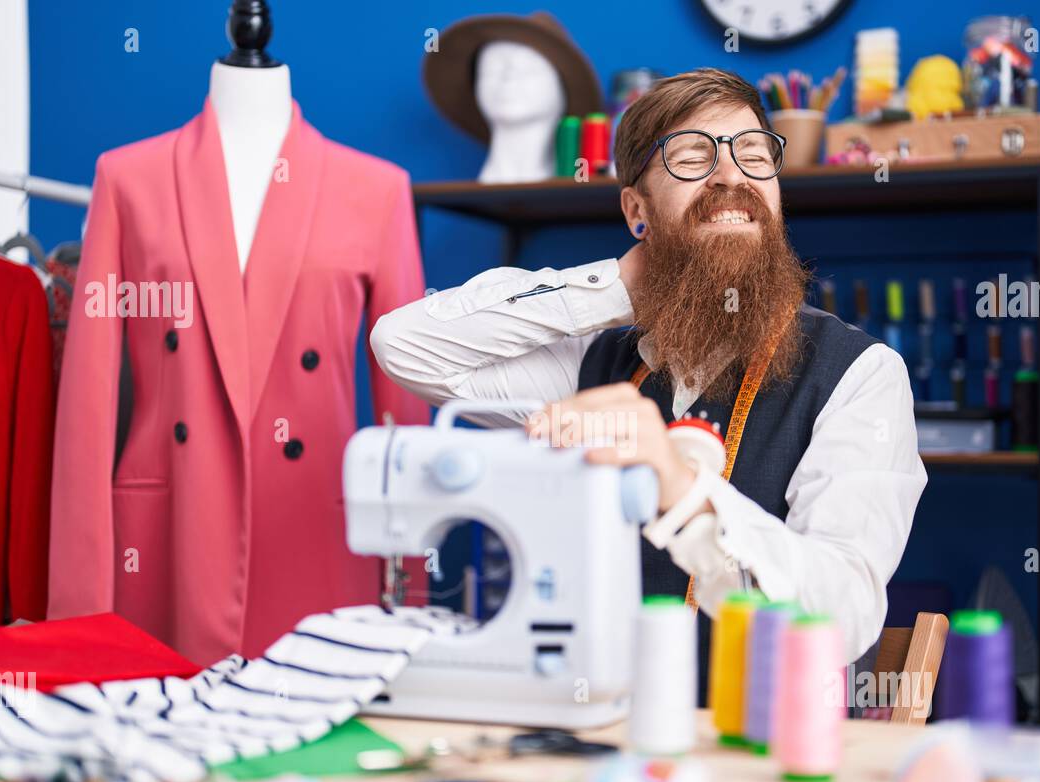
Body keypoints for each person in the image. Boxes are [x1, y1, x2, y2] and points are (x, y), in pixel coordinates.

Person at [372, 68, 926, 700]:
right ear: (636, 210)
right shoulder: (590, 366)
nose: (730, 176)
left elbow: (844, 612)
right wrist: (621, 284)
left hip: (757, 755)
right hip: (594, 738)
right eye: (692, 157)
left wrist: (680, 484)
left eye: (753, 154)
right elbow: (406, 346)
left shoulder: (860, 375)